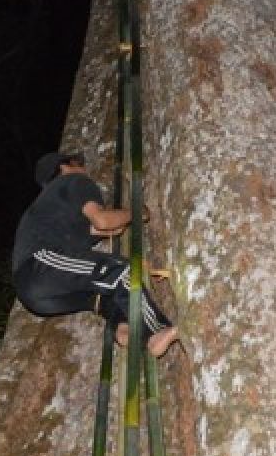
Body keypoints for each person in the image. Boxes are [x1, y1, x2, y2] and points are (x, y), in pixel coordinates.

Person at [12, 150, 179, 357]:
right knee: (119, 270)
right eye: (79, 164)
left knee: (102, 298)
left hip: (37, 296)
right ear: (65, 166)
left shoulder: (53, 209)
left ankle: (125, 330)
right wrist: (139, 212)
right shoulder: (74, 181)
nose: (84, 170)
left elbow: (106, 229)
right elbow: (102, 220)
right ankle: (156, 331)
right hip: (39, 265)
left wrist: (121, 220)